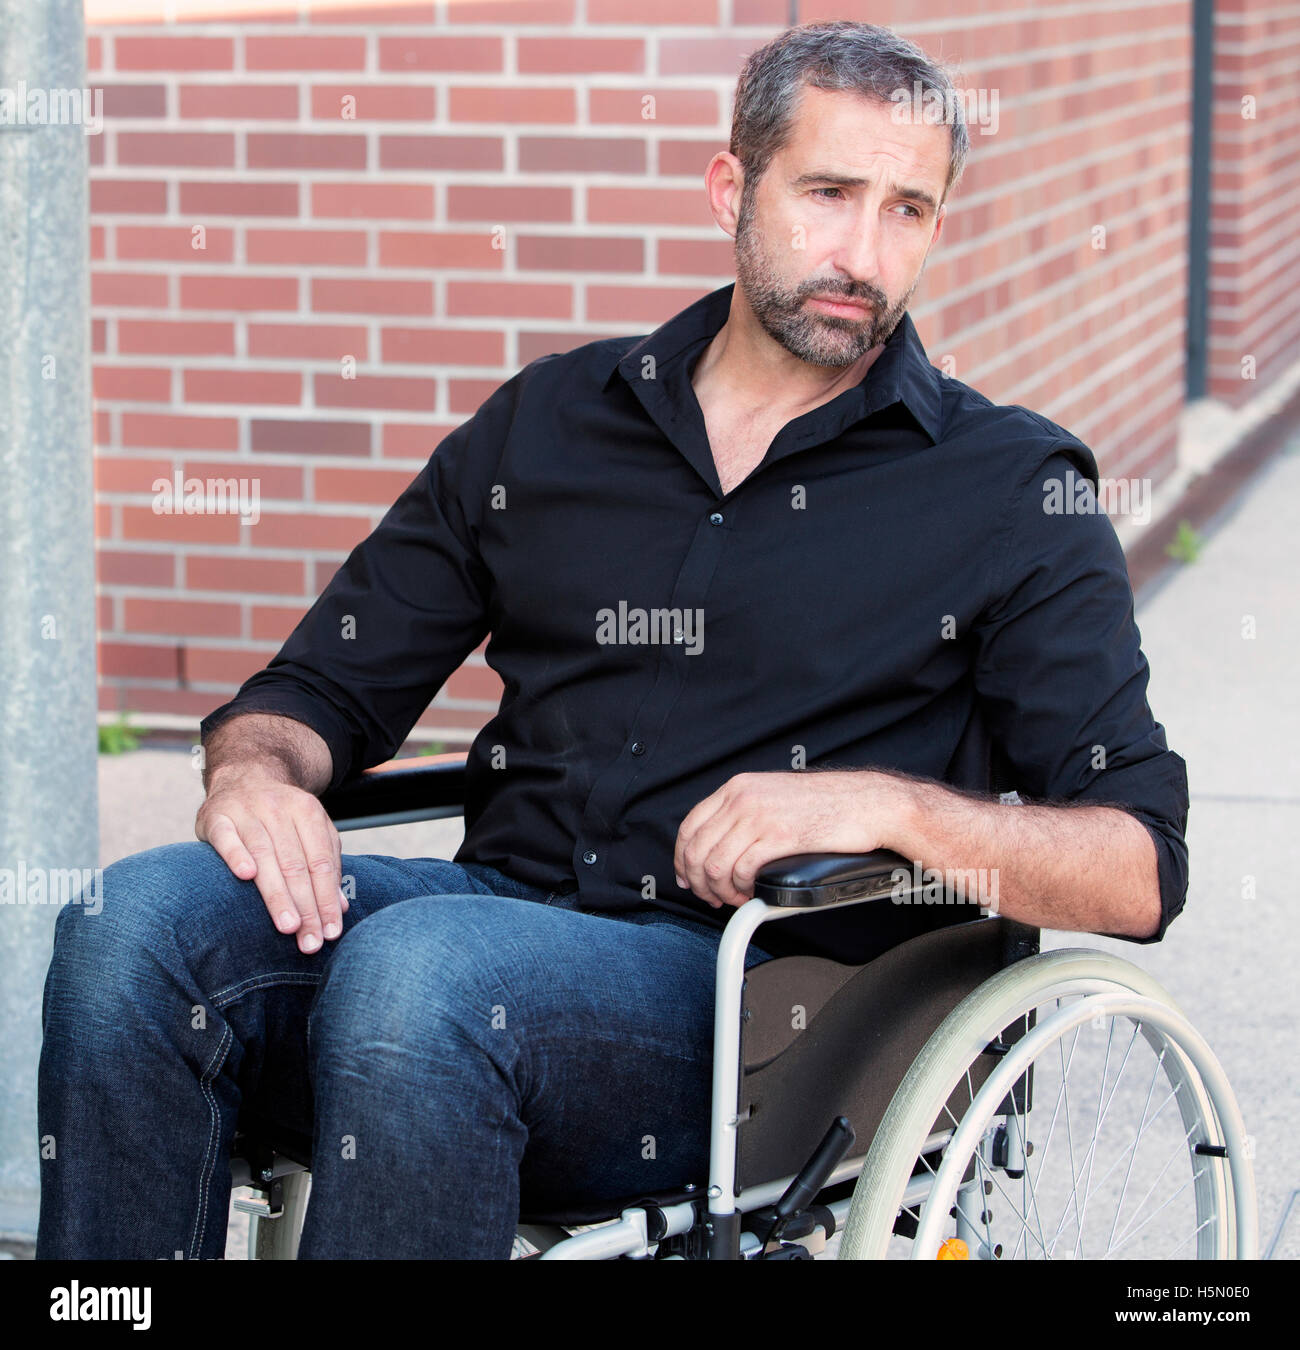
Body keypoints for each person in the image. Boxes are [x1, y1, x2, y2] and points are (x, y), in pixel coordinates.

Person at [37, 20, 1188, 1260]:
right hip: (492, 918)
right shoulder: (552, 423)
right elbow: (317, 687)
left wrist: (888, 809)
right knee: (135, 924)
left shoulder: (1009, 488)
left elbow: (1137, 863)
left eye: (907, 209)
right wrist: (256, 773)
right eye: (829, 193)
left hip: (767, 1011)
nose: (863, 250)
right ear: (729, 188)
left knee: (426, 978)